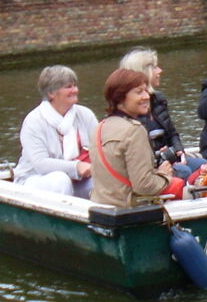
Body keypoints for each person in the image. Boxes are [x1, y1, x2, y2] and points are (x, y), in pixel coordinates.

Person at [90, 68, 186, 208]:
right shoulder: (134, 130)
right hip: (129, 209)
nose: (147, 96)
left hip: (101, 206)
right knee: (181, 183)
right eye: (139, 92)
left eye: (146, 90)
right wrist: (165, 176)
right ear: (120, 97)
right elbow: (144, 185)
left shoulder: (100, 127)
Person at [119, 47, 204, 179]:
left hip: (169, 157)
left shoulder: (159, 100)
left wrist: (179, 150)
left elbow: (172, 133)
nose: (160, 71)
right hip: (151, 165)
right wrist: (157, 154)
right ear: (144, 72)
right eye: (155, 67)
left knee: (202, 165)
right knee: (184, 171)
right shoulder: (131, 110)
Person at [14, 65, 97, 198]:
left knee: (103, 180)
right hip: (35, 179)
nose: (75, 90)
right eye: (68, 87)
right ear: (51, 93)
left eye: (75, 85)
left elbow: (99, 148)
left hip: (78, 180)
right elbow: (41, 164)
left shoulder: (85, 114)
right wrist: (76, 167)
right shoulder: (34, 121)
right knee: (60, 180)